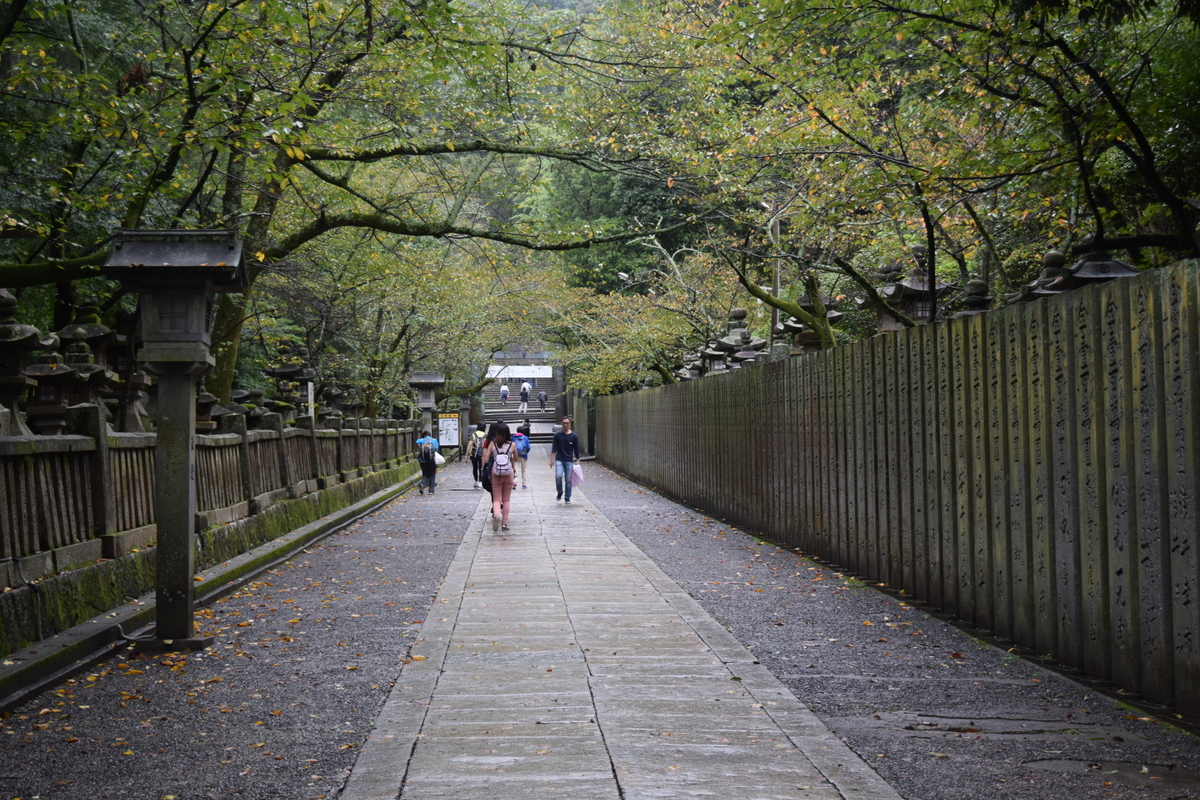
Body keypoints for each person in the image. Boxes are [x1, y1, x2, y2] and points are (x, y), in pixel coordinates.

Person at [484, 422, 517, 531]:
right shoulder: (512, 444)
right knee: (506, 499)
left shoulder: (492, 444)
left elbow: (486, 458)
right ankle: (504, 524)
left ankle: (496, 515)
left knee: (497, 499)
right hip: (508, 473)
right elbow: (516, 459)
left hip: (496, 473)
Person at [549, 417, 580, 504]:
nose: (565, 425)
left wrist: (577, 459)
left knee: (568, 479)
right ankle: (559, 491)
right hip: (559, 459)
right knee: (558, 476)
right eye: (564, 423)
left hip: (569, 460)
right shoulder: (557, 435)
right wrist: (552, 459)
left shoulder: (574, 436)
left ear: (569, 424)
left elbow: (576, 448)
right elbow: (554, 448)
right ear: (561, 424)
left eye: (567, 423)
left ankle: (567, 497)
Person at [415, 429, 439, 495]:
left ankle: (422, 483)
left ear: (423, 435)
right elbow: (436, 449)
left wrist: (420, 448)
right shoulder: (434, 440)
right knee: (432, 474)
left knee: (425, 473)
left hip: (422, 460)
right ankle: (431, 490)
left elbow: (416, 442)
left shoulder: (422, 440)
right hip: (432, 459)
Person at [466, 422, 487, 488]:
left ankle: (476, 481)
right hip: (482, 454)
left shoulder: (474, 434)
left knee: (475, 468)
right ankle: (481, 482)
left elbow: (470, 444)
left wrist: (466, 454)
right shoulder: (485, 435)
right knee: (481, 468)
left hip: (474, 453)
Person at [514, 418, 531, 489]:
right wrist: (526, 452)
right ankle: (524, 484)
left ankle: (514, 481)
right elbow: (528, 447)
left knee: (515, 468)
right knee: (524, 470)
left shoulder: (513, 437)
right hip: (524, 455)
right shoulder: (525, 438)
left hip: (516, 455)